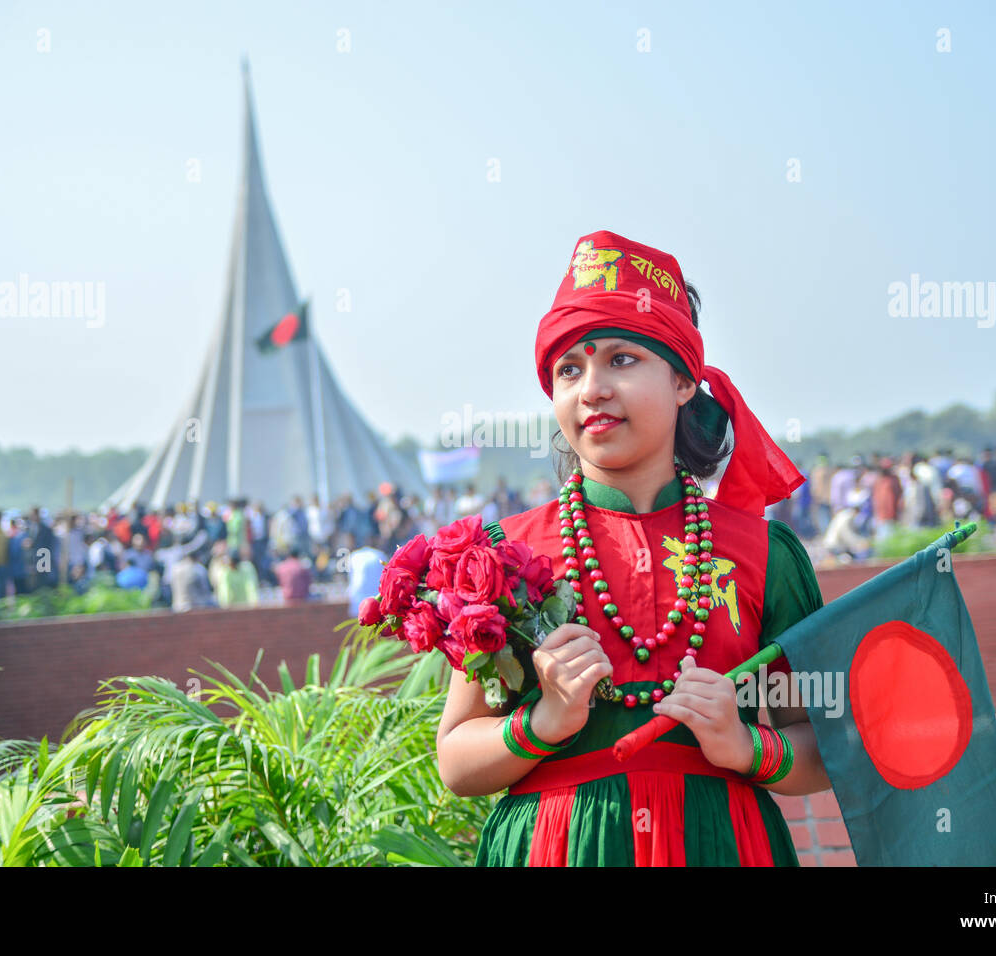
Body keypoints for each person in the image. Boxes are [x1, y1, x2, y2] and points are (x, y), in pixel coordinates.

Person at [436, 230, 830, 867]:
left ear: (681, 381)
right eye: (571, 369)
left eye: (621, 359)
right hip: (551, 849)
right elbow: (455, 759)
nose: (592, 388)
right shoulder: (502, 556)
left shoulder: (765, 553)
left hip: (723, 847)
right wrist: (542, 724)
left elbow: (823, 752)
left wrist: (745, 745)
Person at [345, 533, 387, 617]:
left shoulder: (354, 556)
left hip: (358, 603)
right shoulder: (380, 555)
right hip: (377, 602)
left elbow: (351, 581)